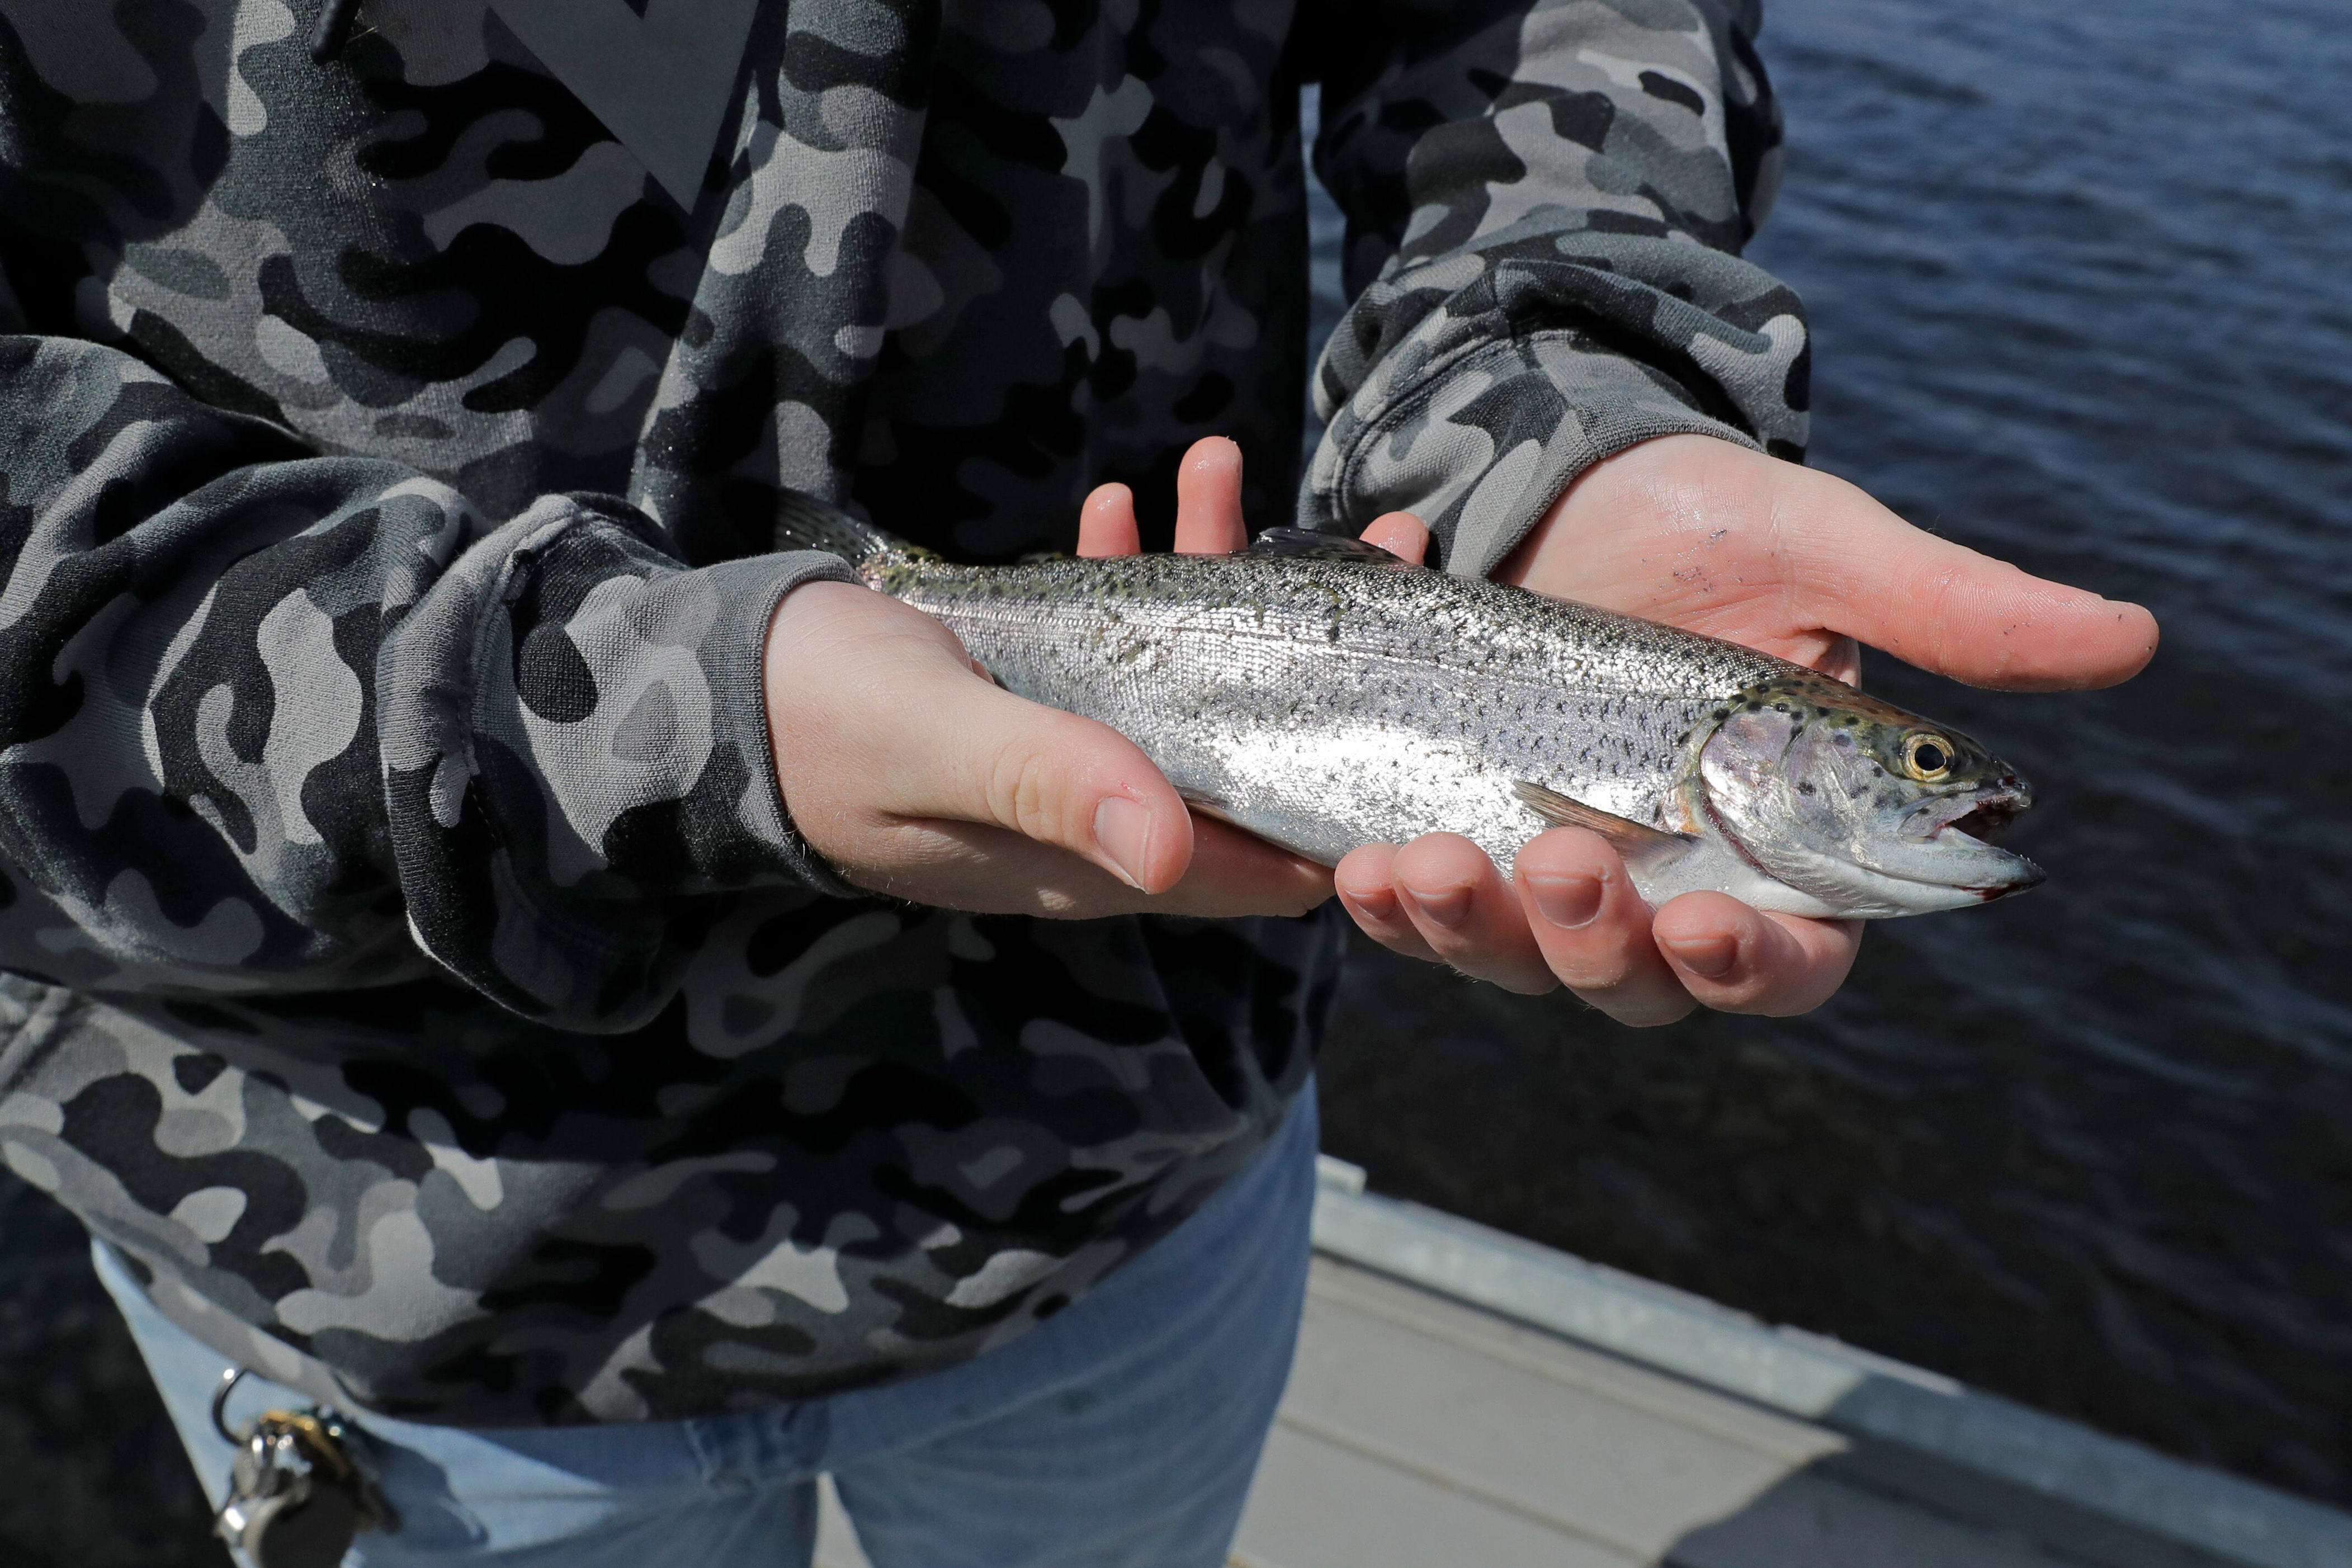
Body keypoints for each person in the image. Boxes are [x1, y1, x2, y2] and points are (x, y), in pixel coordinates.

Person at [0, 1, 2155, 1564]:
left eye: (1913, 771)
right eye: (1911, 766)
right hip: (377, 1247)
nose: (1935, 793)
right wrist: (675, 703)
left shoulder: (1678, 753)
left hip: (1137, 1177)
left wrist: (1565, 394)